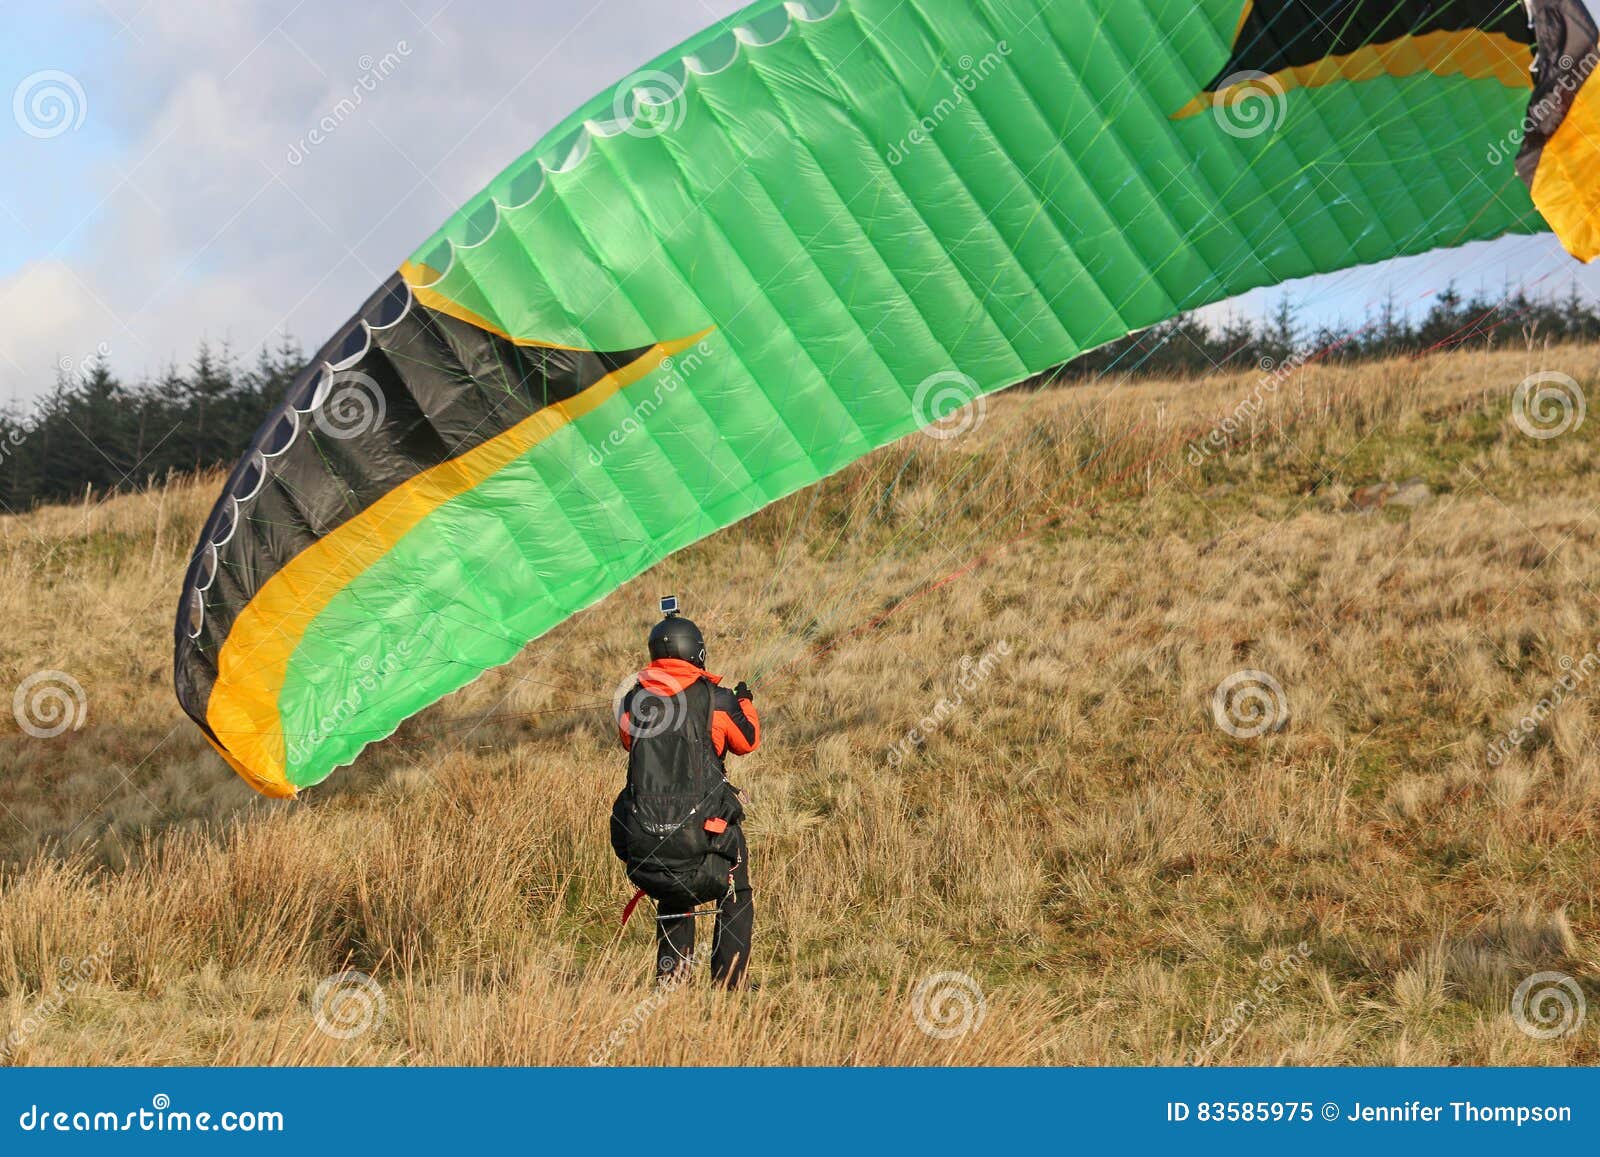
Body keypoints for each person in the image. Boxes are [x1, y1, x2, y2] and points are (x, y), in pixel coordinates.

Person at [611, 601, 760, 989]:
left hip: (646, 830)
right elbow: (747, 742)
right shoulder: (718, 698)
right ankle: (729, 983)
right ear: (697, 650)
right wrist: (744, 702)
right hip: (705, 829)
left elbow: (629, 742)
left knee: (674, 888)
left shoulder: (634, 700)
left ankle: (671, 980)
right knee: (734, 890)